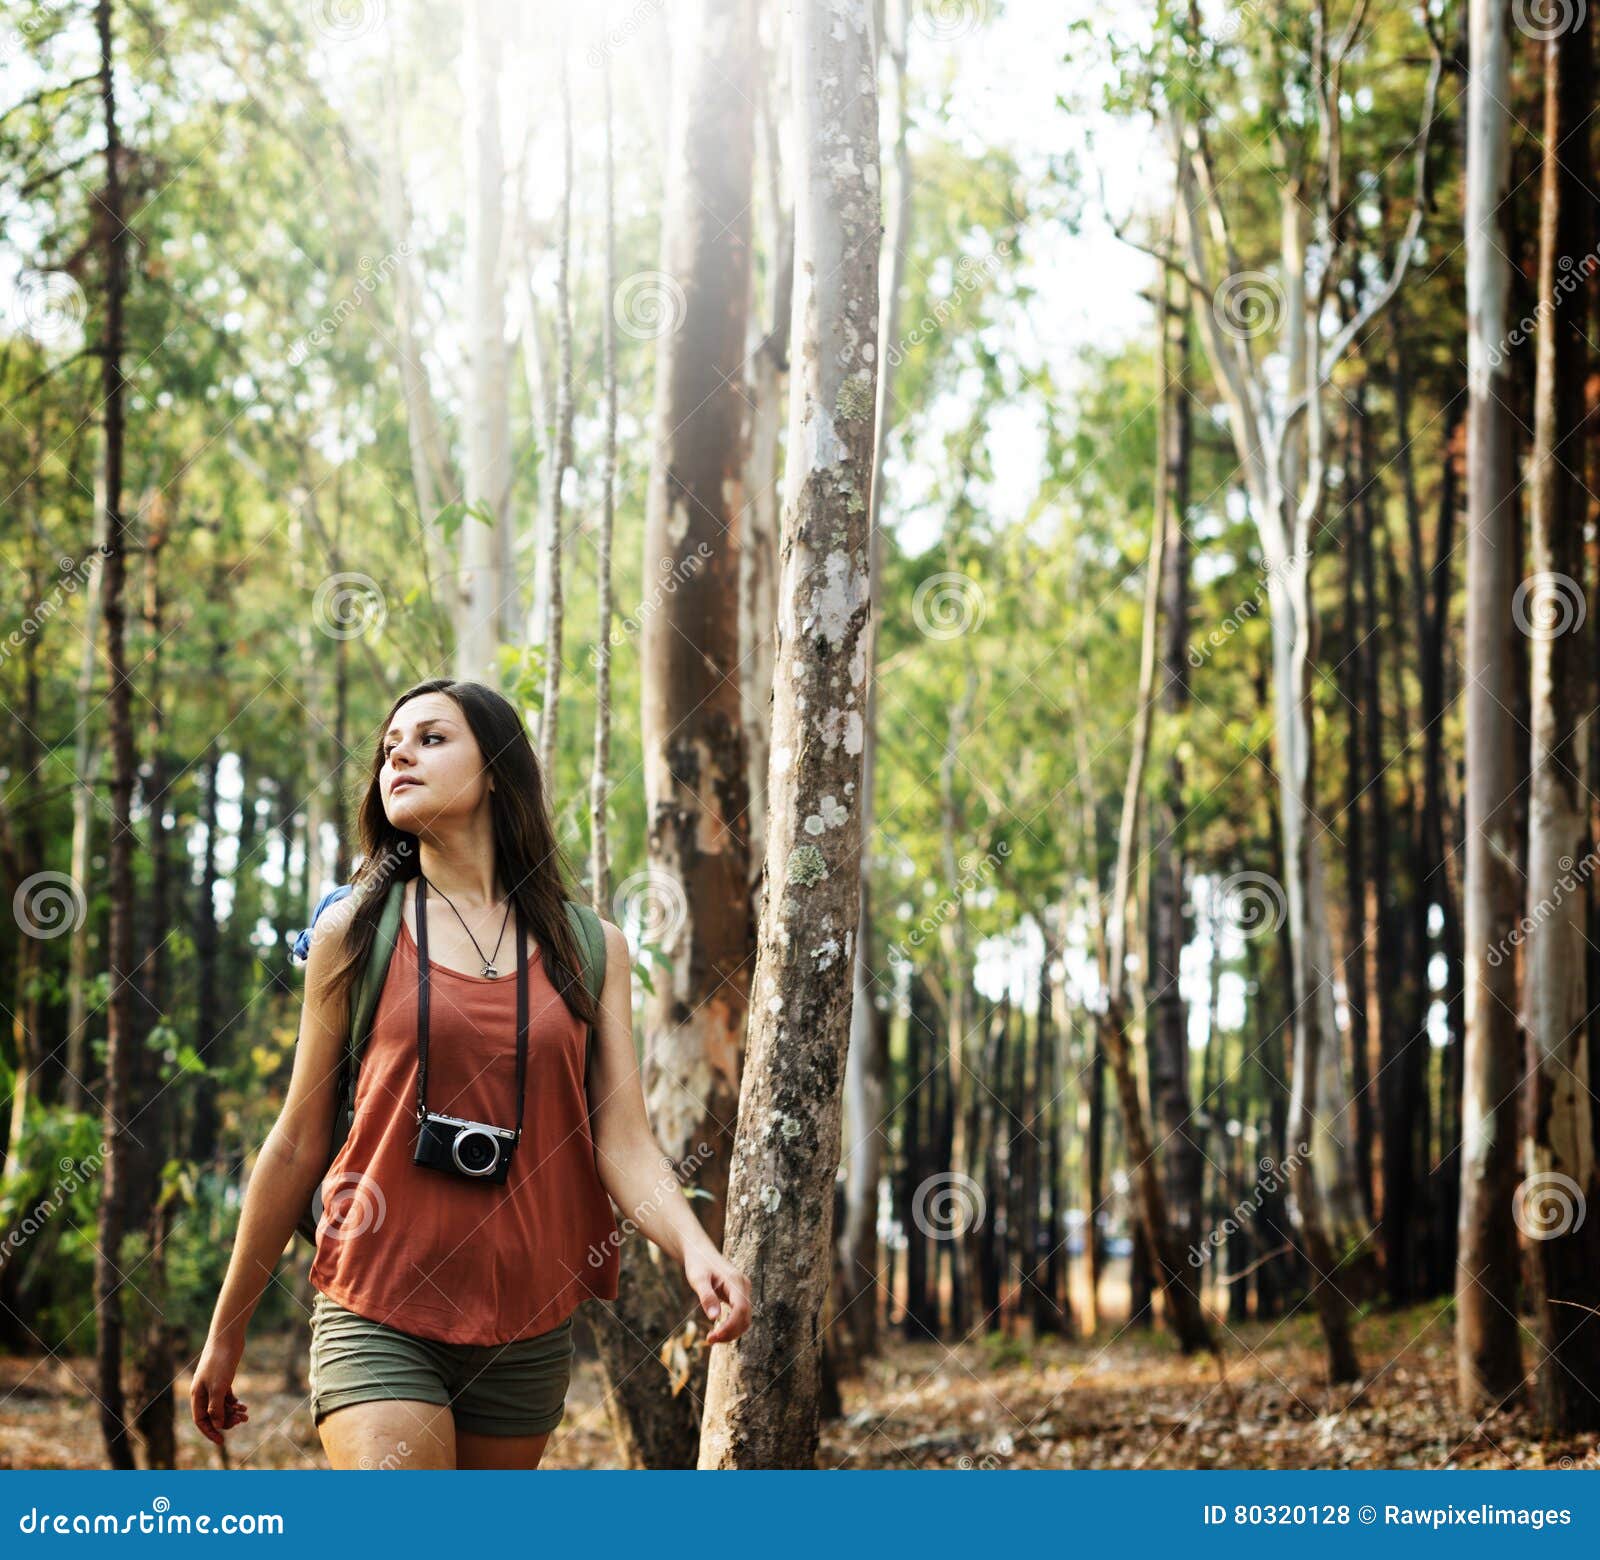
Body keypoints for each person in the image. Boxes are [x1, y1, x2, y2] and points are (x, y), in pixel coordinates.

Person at [191, 677, 751, 1469]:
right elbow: (295, 1141)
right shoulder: (353, 931)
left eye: (431, 739)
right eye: (390, 747)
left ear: (495, 771)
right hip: (377, 1303)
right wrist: (226, 1332)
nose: (399, 757)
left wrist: (697, 1250)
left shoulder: (593, 948)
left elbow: (623, 1142)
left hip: (526, 1324)